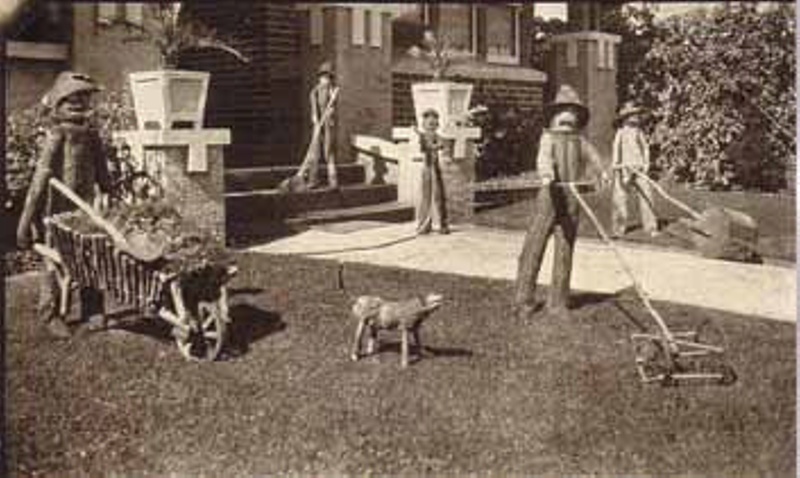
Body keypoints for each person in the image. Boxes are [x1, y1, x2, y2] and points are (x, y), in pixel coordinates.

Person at [16, 71, 112, 338]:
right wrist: (25, 221)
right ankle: (51, 313)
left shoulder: (91, 135)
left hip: (85, 208)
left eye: (84, 97)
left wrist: (107, 190)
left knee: (90, 255)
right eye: (73, 98)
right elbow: (40, 177)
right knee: (54, 260)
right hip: (57, 209)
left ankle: (93, 309)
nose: (80, 103)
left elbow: (102, 169)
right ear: (59, 103)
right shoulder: (56, 135)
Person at [515, 85, 609, 320]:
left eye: (573, 112)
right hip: (549, 196)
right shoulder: (548, 138)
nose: (568, 116)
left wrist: (602, 172)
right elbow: (543, 158)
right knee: (534, 246)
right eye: (564, 111)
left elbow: (594, 158)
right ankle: (523, 301)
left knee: (565, 247)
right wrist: (546, 175)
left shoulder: (580, 141)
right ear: (554, 115)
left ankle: (558, 302)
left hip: (572, 196)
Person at [611, 102, 658, 237]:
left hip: (639, 168)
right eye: (633, 115)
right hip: (624, 168)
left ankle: (650, 226)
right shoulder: (621, 132)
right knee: (620, 198)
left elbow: (645, 148)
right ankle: (618, 229)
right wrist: (615, 164)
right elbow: (616, 149)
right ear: (626, 117)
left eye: (637, 115)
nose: (636, 117)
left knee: (647, 195)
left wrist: (646, 163)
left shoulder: (639, 132)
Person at [415, 109, 451, 235]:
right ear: (424, 124)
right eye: (429, 123)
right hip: (427, 168)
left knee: (439, 195)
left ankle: (442, 223)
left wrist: (437, 145)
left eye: (434, 123)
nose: (432, 126)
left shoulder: (437, 137)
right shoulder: (422, 137)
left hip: (436, 168)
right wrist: (429, 143)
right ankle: (424, 224)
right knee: (426, 196)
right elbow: (423, 148)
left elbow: (444, 144)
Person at [305, 61, 339, 189]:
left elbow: (332, 108)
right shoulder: (314, 92)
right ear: (320, 77)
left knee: (328, 151)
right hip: (317, 125)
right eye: (324, 77)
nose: (326, 80)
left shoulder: (332, 91)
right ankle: (313, 180)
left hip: (328, 125)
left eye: (329, 77)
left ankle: (333, 181)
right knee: (315, 151)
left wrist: (331, 113)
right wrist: (315, 119)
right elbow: (314, 109)